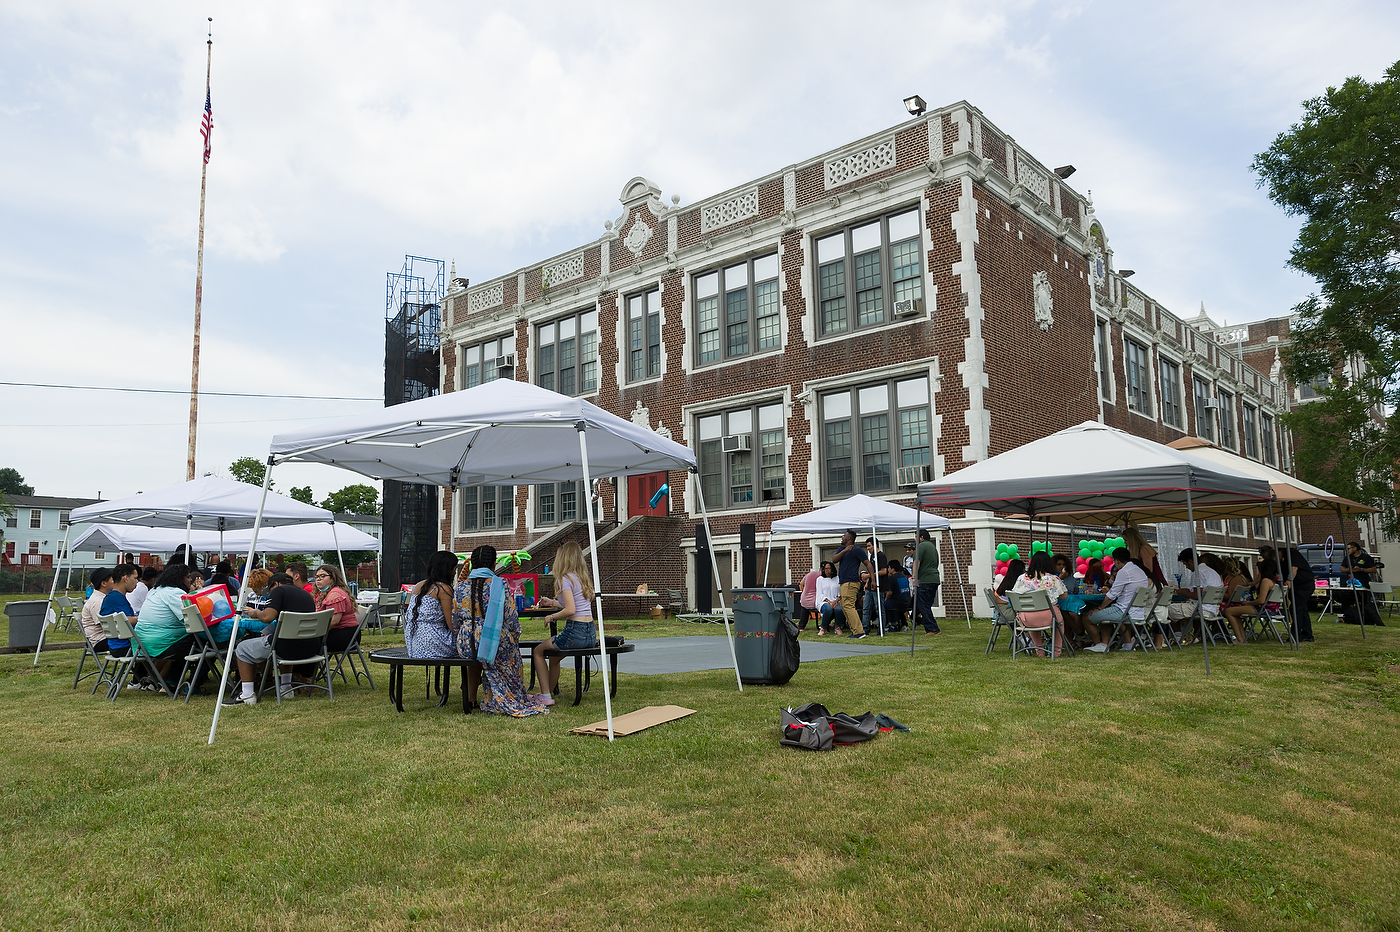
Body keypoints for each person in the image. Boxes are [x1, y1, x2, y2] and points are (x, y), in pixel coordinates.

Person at [455, 545, 549, 716]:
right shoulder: (500, 584)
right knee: (510, 653)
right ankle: (509, 696)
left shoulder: (461, 586)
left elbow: (456, 618)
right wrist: (515, 634)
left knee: (476, 654)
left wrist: (461, 634)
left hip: (466, 641)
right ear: (493, 564)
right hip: (494, 639)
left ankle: (470, 698)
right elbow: (510, 616)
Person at [221, 571, 321, 705]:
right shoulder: (306, 594)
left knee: (242, 648)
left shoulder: (278, 591)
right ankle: (286, 688)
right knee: (283, 638)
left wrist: (256, 612)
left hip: (286, 649)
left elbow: (267, 617)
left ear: (275, 584)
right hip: (311, 648)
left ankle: (247, 694)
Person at [531, 540, 598, 702]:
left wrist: (551, 616)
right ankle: (546, 693)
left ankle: (546, 696)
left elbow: (570, 610)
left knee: (538, 651)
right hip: (590, 632)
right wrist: (553, 603)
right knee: (554, 658)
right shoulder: (582, 578)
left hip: (575, 631)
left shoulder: (564, 578)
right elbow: (575, 604)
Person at [132, 563, 203, 687]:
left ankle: (168, 680)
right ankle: (191, 683)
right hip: (158, 644)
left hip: (142, 643)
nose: (190, 579)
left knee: (188, 641)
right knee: (202, 640)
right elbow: (193, 619)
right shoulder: (174, 593)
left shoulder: (157, 591)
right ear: (180, 578)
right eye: (187, 577)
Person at [1084, 547, 1151, 653]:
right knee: (1104, 614)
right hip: (1137, 610)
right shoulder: (1138, 570)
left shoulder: (1124, 572)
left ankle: (1100, 645)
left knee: (1087, 618)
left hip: (1124, 611)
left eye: (1114, 561)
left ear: (1117, 560)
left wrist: (1099, 608)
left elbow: (1112, 595)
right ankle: (1127, 644)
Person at [402, 551, 462, 659]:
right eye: (455, 568)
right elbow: (452, 625)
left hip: (414, 643)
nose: (455, 572)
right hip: (433, 641)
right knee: (471, 646)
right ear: (448, 570)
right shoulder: (443, 589)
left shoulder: (418, 585)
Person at [1011, 551, 1067, 657]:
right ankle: (1056, 652)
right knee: (1059, 623)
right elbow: (1064, 596)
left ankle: (1039, 651)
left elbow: (1013, 594)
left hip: (1027, 619)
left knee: (1032, 614)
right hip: (1049, 617)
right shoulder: (1053, 578)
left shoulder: (1021, 578)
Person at [1167, 548, 1223, 642]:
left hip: (1202, 609)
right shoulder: (1212, 572)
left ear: (1190, 561)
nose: (1187, 567)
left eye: (1186, 564)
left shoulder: (1198, 573)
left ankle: (1178, 635)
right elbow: (1197, 590)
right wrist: (1182, 590)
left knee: (1167, 608)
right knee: (1183, 605)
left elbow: (1197, 595)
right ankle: (1194, 635)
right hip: (1214, 608)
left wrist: (1183, 592)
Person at [1223, 558, 1278, 643]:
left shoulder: (1265, 581)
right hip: (1272, 609)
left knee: (1228, 611)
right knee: (1235, 612)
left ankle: (1240, 639)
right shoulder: (1275, 580)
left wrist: (1249, 603)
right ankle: (1242, 638)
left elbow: (1261, 601)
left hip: (1263, 609)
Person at [312, 564, 361, 658]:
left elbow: (334, 621)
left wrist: (315, 631)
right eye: (316, 576)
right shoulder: (326, 593)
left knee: (303, 644)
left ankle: (300, 673)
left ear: (332, 579)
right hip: (342, 634)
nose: (318, 579)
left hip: (344, 636)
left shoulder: (335, 594)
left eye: (323, 576)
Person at [833, 530, 871, 639]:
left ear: (849, 538)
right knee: (845, 607)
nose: (842, 537)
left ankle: (859, 632)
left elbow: (867, 563)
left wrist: (872, 579)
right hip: (843, 582)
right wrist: (845, 551)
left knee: (848, 606)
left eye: (844, 536)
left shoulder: (857, 550)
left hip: (851, 582)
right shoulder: (842, 549)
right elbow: (834, 560)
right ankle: (855, 631)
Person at [1282, 544, 1316, 642]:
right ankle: (1307, 634)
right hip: (1297, 586)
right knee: (1302, 609)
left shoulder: (1292, 554)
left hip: (1304, 585)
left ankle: (1296, 635)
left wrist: (1289, 580)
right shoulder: (1283, 561)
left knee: (1296, 609)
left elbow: (1294, 569)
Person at [914, 530, 942, 635]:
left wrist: (914, 578)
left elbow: (917, 562)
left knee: (922, 605)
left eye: (916, 537)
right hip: (934, 579)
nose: (915, 539)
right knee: (927, 605)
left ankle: (933, 628)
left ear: (921, 537)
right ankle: (931, 626)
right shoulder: (933, 547)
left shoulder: (921, 546)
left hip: (924, 580)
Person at [79, 568, 115, 648]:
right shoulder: (97, 602)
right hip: (100, 640)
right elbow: (107, 625)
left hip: (105, 637)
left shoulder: (103, 598)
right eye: (112, 580)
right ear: (104, 583)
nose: (114, 582)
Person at [862, 537, 889, 635]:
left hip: (879, 586)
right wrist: (867, 582)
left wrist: (869, 575)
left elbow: (884, 571)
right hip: (870, 586)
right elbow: (871, 570)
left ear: (875, 545)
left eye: (869, 546)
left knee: (879, 609)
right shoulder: (871, 556)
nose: (868, 548)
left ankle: (881, 629)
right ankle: (865, 629)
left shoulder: (881, 556)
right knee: (866, 608)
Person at [814, 561, 841, 635]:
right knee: (828, 609)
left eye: (828, 568)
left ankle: (837, 627)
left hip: (836, 600)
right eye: (825, 569)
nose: (827, 570)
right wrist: (829, 602)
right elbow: (820, 593)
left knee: (839, 609)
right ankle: (823, 628)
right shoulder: (820, 579)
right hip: (824, 601)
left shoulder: (837, 579)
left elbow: (840, 593)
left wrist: (835, 601)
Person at [796, 564, 820, 631]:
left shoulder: (809, 574)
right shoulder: (823, 577)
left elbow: (801, 583)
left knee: (805, 608)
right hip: (817, 601)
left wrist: (804, 592)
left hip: (805, 600)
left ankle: (801, 626)